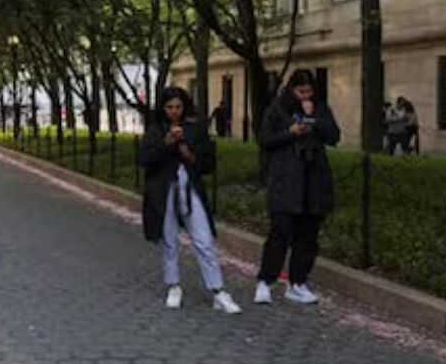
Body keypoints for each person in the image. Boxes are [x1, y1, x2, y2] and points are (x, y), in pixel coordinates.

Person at [140, 87, 241, 314]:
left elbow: (207, 164)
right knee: (169, 240)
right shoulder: (155, 130)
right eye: (169, 107)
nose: (174, 112)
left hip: (190, 190)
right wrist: (165, 143)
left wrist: (190, 155)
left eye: (178, 107)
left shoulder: (195, 130)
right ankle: (173, 285)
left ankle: (218, 290)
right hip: (164, 192)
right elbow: (145, 159)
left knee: (204, 239)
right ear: (163, 108)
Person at [254, 69, 340, 305]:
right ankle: (265, 280)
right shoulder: (278, 109)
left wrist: (315, 121)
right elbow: (264, 140)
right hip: (286, 178)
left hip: (313, 179)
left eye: (309, 91)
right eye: (301, 91)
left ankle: (298, 282)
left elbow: (334, 136)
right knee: (280, 232)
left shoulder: (320, 108)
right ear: (291, 90)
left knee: (308, 234)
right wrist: (289, 132)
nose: (305, 96)